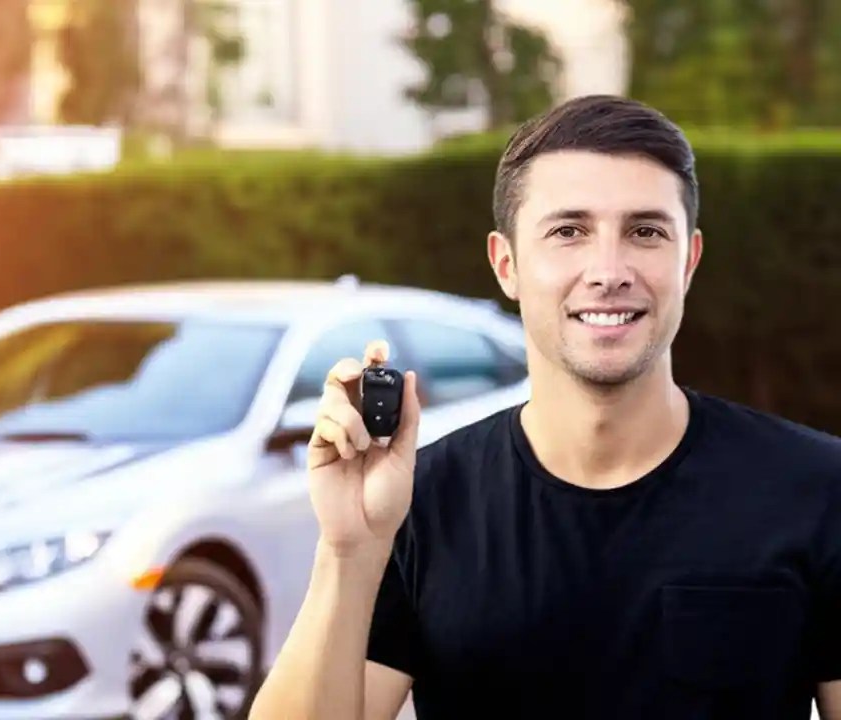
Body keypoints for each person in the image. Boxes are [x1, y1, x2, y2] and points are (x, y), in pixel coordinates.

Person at [248, 94, 841, 720]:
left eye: (645, 232)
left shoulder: (819, 489)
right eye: (568, 232)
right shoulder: (419, 503)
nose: (608, 270)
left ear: (687, 260)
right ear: (507, 265)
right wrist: (348, 551)